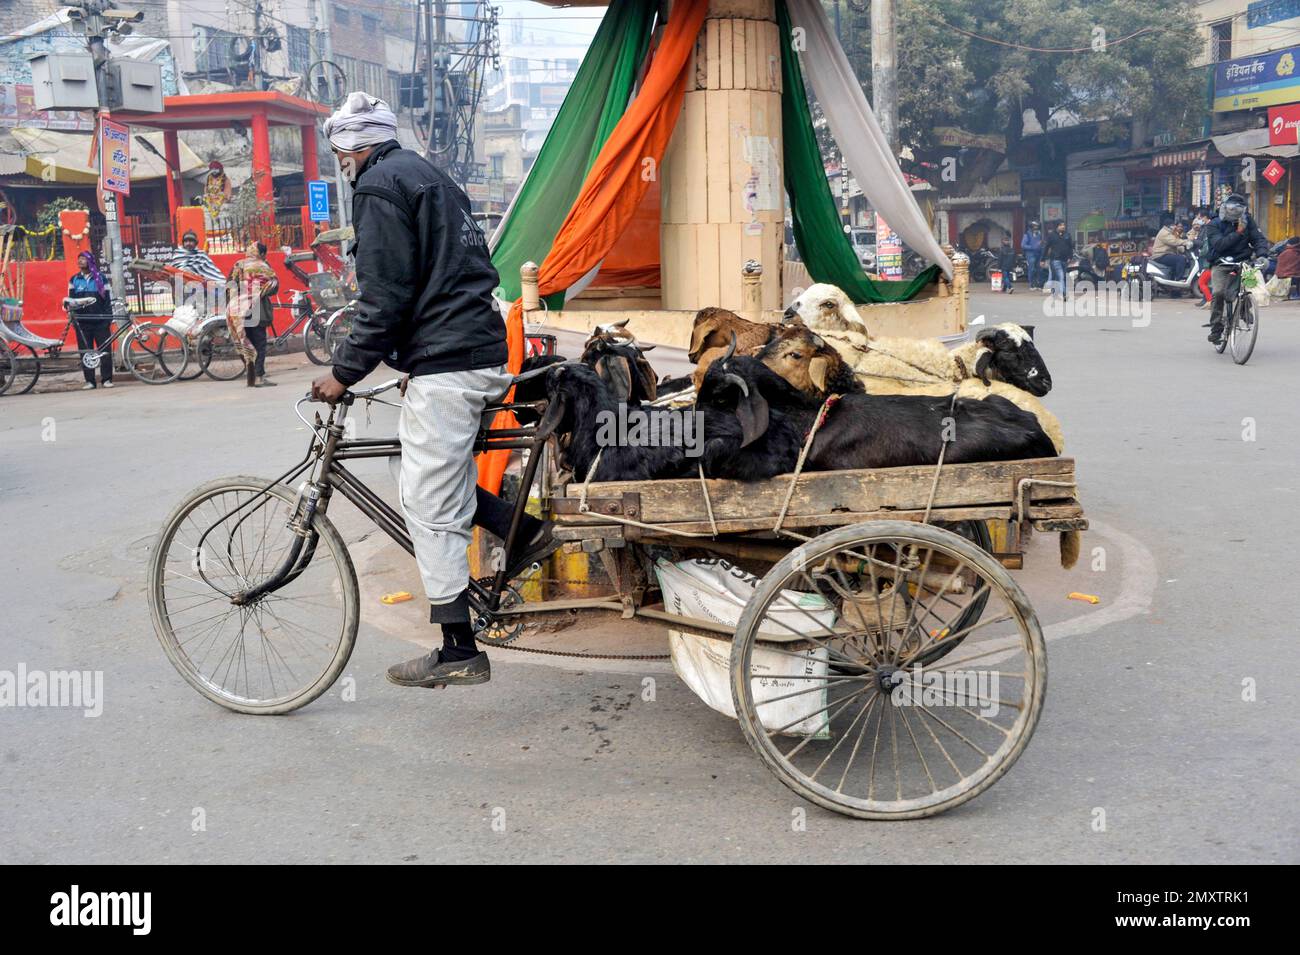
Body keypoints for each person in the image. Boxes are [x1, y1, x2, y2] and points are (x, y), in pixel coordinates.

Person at [311, 91, 554, 690]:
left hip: (449, 364)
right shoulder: (428, 175)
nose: (341, 163)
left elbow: (384, 299)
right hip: (479, 350)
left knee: (427, 502)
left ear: (352, 148)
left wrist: (341, 374)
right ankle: (521, 530)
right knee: (428, 476)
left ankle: (457, 648)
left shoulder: (376, 186)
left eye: (341, 152)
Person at [1201, 193, 1270, 344]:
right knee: (1218, 292)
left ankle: (1244, 308)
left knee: (1248, 287)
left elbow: (1258, 239)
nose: (1234, 211)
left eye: (1238, 209)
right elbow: (1219, 245)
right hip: (1220, 263)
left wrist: (1262, 255)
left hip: (1243, 261)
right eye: (1231, 208)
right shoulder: (1214, 224)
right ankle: (1216, 328)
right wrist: (1238, 232)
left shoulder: (1248, 221)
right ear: (1225, 208)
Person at [227, 240, 279, 387]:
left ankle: (251, 377)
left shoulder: (238, 265)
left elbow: (229, 284)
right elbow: (274, 286)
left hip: (238, 309)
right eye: (264, 254)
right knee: (260, 343)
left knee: (246, 342)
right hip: (257, 308)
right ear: (261, 253)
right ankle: (259, 377)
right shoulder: (264, 266)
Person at [65, 251, 115, 390]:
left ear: (90, 261)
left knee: (104, 351)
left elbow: (107, 300)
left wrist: (108, 318)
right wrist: (74, 319)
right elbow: (71, 301)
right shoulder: (74, 280)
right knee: (86, 352)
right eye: (79, 259)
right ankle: (90, 381)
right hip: (83, 322)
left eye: (83, 259)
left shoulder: (101, 278)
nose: (80, 261)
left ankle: (106, 379)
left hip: (101, 321)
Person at [1045, 222, 1073, 299]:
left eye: (1064, 225)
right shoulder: (1052, 235)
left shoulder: (1067, 235)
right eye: (1061, 225)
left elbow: (1071, 247)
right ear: (1057, 226)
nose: (1063, 226)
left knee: (1062, 276)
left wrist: (1070, 257)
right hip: (1055, 260)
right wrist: (1042, 259)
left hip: (1064, 260)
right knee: (1060, 276)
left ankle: (1055, 291)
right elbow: (1046, 247)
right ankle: (1064, 293)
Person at [1021, 220, 1044, 289]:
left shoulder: (1039, 234)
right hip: (1030, 254)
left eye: (1037, 226)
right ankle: (1032, 284)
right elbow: (1023, 245)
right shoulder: (1027, 234)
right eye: (1035, 226)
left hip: (1039, 253)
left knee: (1039, 269)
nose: (1036, 227)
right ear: (1031, 227)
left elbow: (1041, 243)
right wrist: (1033, 247)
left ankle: (1039, 284)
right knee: (1032, 269)